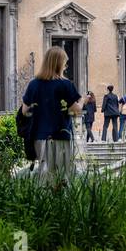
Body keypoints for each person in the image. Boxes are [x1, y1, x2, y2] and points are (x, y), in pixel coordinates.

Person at [21, 47, 82, 183]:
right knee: (63, 177)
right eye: (65, 63)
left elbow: (24, 111)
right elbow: (76, 110)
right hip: (61, 135)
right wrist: (83, 101)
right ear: (59, 63)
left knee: (44, 178)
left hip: (39, 136)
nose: (66, 66)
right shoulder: (66, 84)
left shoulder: (33, 84)